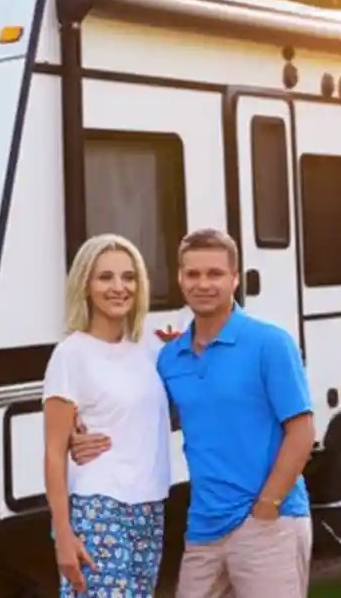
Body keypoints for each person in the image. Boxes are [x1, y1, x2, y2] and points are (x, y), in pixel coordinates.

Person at [70, 228, 316, 597]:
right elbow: (146, 415)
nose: (203, 283)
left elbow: (302, 433)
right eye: (193, 274)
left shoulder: (269, 343)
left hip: (269, 522)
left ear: (235, 278)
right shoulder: (171, 356)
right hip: (203, 526)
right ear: (180, 279)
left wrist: (267, 506)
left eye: (215, 274)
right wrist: (82, 434)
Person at [42, 233, 172, 597]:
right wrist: (62, 536)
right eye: (105, 277)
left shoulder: (147, 349)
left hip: (149, 506)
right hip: (99, 508)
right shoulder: (71, 354)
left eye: (128, 277)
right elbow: (53, 452)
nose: (119, 287)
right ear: (85, 285)